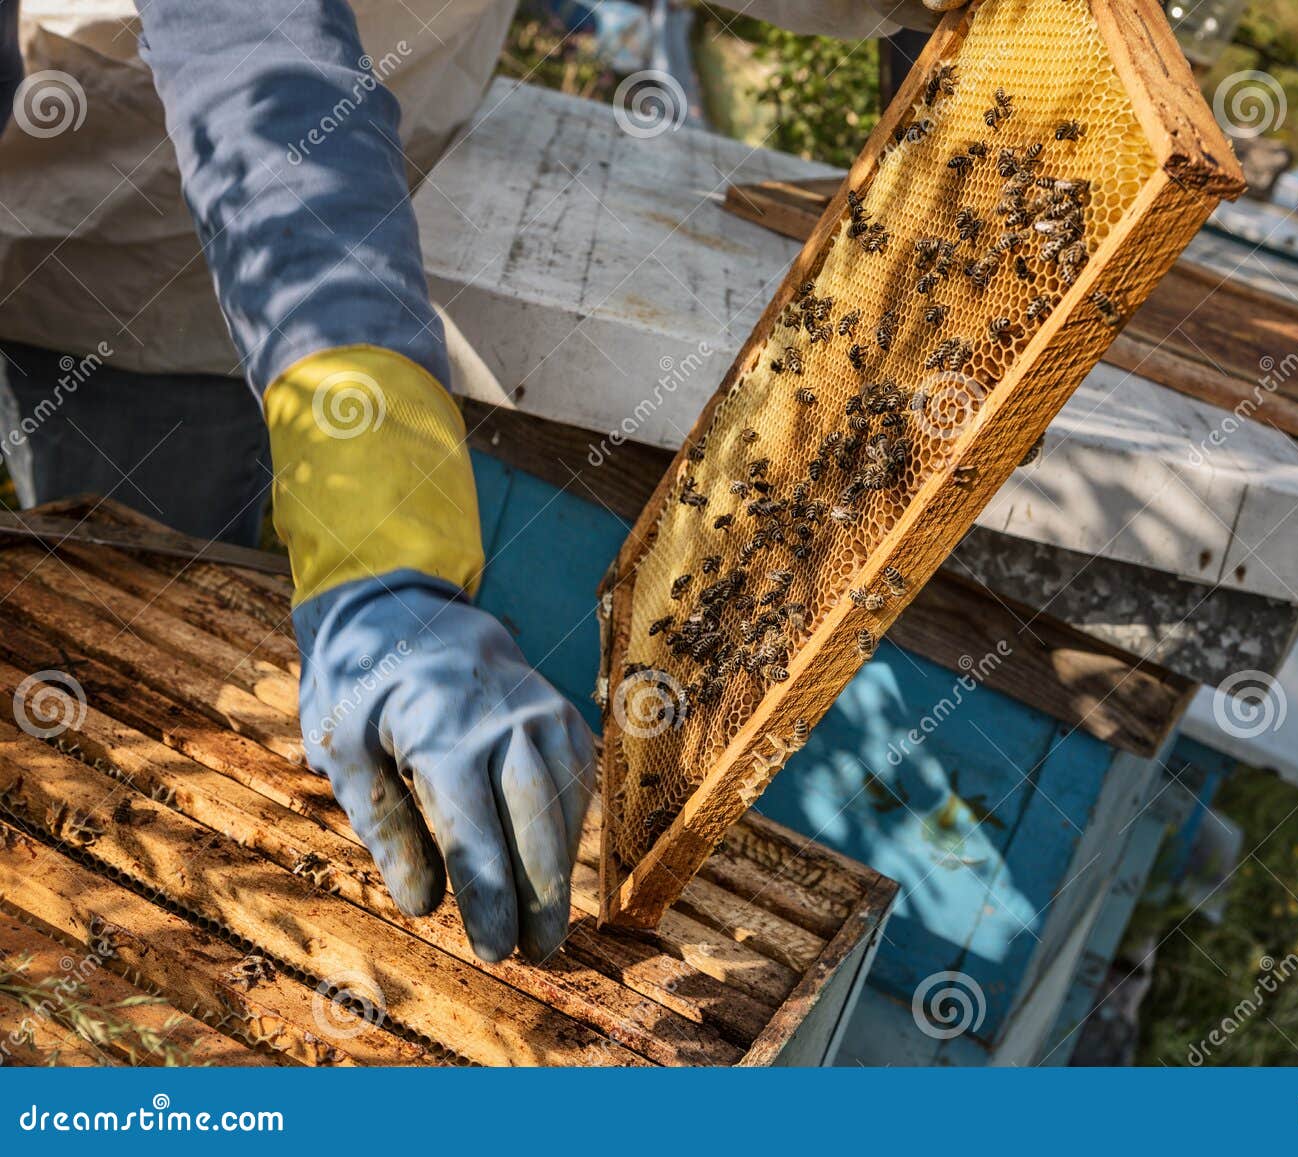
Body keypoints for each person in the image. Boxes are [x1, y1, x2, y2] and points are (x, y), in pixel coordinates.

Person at [0, 0, 957, 962]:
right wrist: (380, 553)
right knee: (103, 679)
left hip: (363, 202)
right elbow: (251, 43)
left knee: (205, 599)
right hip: (104, 221)